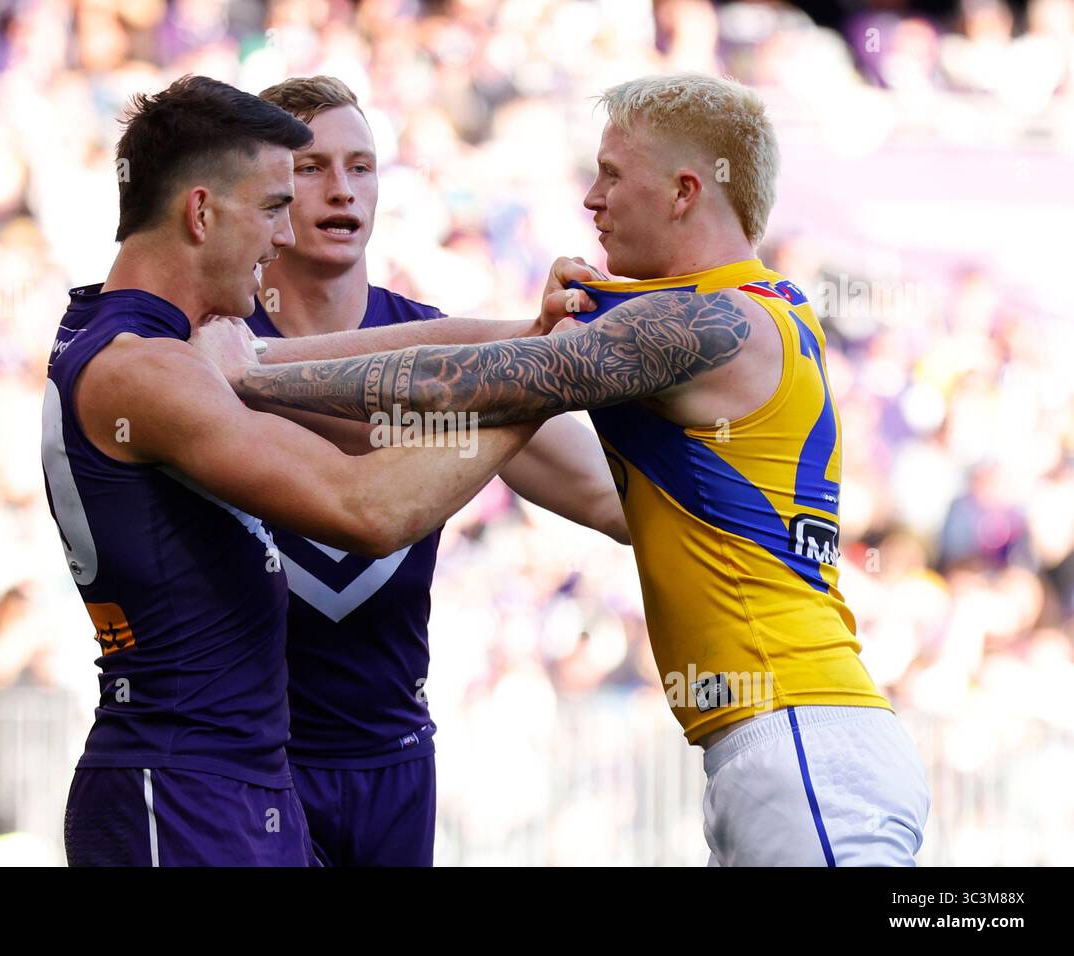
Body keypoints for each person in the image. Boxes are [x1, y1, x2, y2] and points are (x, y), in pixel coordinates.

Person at [203, 73, 932, 867]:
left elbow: (477, 379)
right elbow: (511, 360)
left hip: (799, 737)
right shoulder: (733, 307)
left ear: (686, 191)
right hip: (784, 740)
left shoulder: (708, 322)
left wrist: (254, 371)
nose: (591, 199)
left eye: (613, 175)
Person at [42, 75, 540, 867]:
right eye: (274, 206)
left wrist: (531, 338)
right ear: (201, 213)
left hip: (232, 789)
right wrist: (544, 385)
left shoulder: (154, 344)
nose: (282, 238)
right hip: (179, 794)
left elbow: (328, 358)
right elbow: (367, 509)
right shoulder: (144, 371)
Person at [215, 75, 627, 868]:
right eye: (312, 168)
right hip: (251, 766)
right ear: (262, 186)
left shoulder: (443, 347)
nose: (342, 190)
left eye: (362, 167)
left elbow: (611, 501)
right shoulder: (208, 346)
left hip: (391, 761)